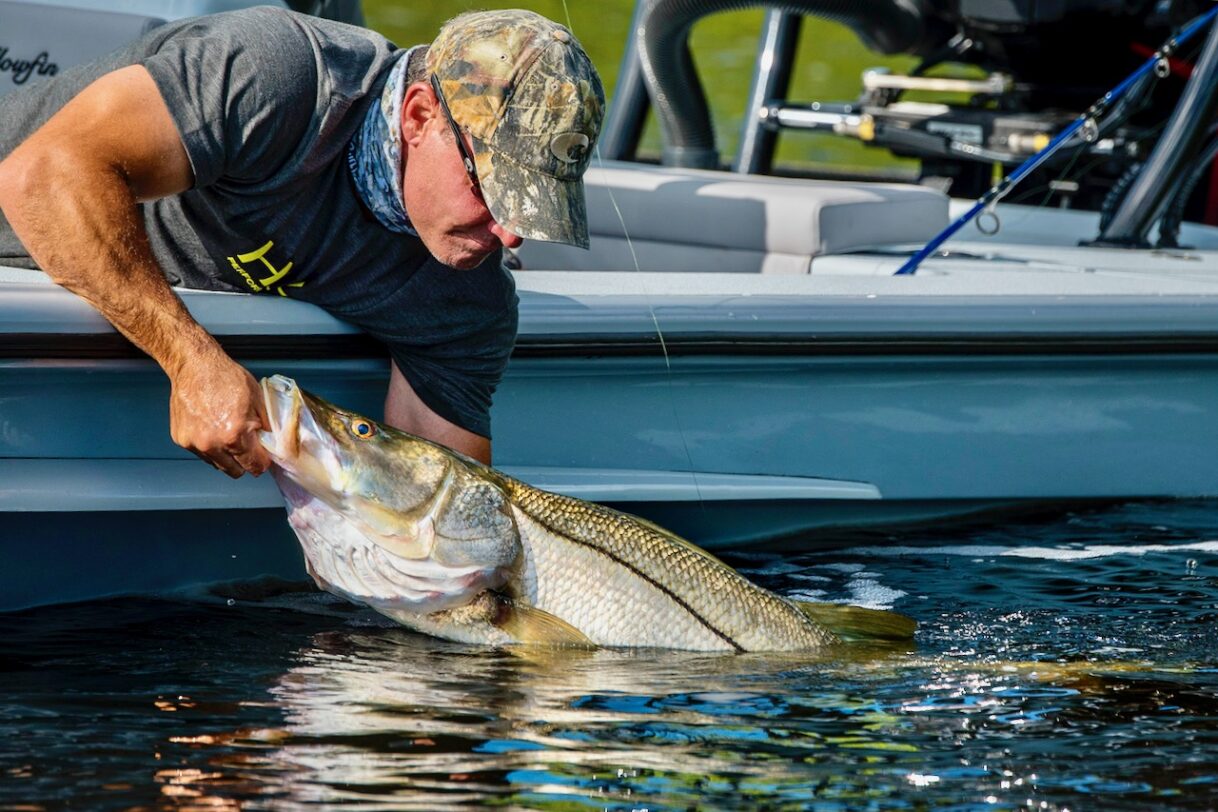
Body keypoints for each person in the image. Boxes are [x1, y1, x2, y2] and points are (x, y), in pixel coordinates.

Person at [0, 7, 604, 476]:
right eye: (494, 190)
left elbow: (440, 520)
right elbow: (39, 177)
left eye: (532, 205)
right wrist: (189, 361)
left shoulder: (466, 298)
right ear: (419, 116)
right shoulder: (278, 77)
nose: (511, 232)